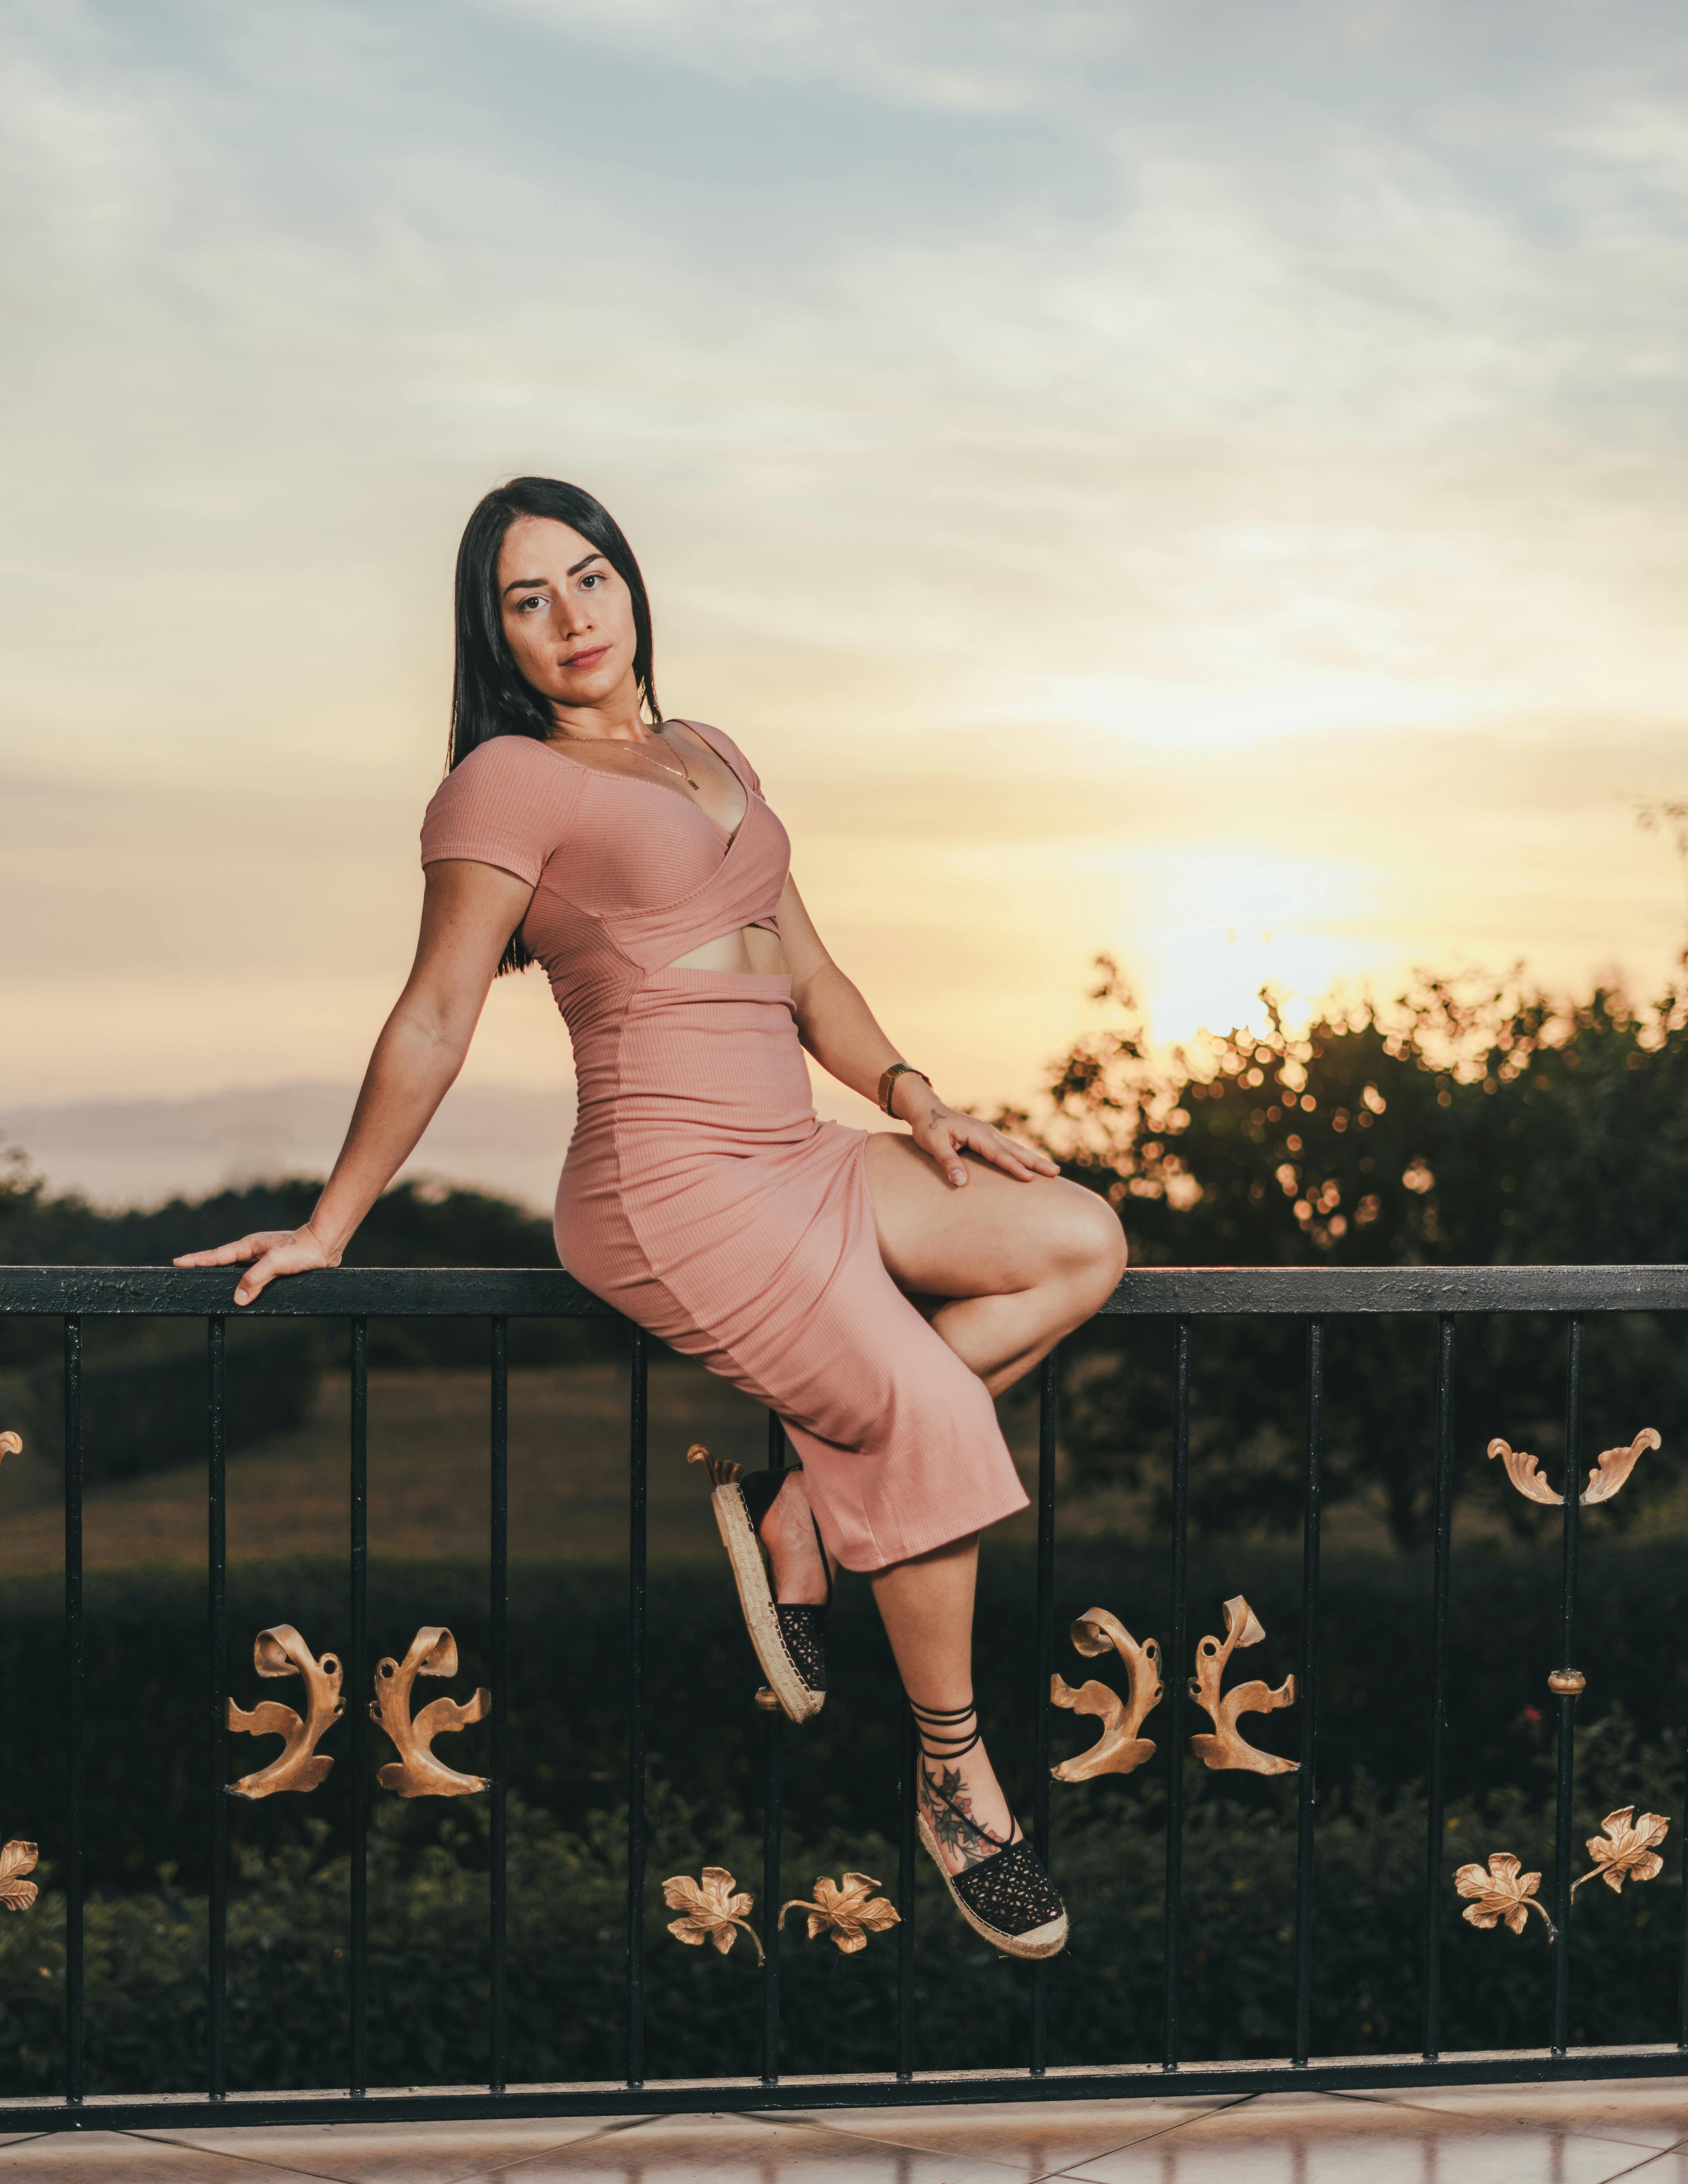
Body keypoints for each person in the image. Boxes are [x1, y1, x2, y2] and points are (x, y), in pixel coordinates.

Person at [177, 477, 1127, 1960]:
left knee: (1078, 1237)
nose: (571, 617)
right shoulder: (502, 780)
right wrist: (330, 1224)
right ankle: (956, 1778)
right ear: (492, 636)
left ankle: (808, 1503)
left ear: (630, 582)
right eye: (527, 597)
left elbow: (807, 973)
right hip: (662, 1184)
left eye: (590, 576)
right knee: (923, 1402)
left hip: (797, 1145)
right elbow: (434, 1012)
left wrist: (911, 1090)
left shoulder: (714, 751)